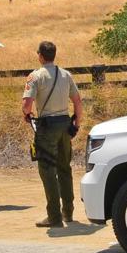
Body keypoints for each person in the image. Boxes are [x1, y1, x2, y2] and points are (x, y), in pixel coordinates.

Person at [21, 41, 84, 228]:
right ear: (54, 55)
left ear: (40, 55)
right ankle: (68, 212)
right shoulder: (66, 75)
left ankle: (54, 217)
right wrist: (76, 124)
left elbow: (26, 105)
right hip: (65, 124)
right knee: (65, 168)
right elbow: (78, 102)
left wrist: (27, 116)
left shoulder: (35, 76)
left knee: (47, 170)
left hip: (47, 127)